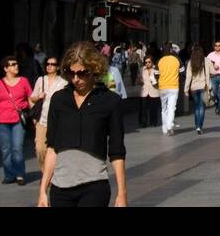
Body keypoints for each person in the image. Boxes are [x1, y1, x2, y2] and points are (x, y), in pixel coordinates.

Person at [38, 42, 127, 207]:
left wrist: (122, 193)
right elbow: (52, 147)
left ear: (94, 69)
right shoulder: (59, 100)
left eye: (82, 73)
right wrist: (43, 190)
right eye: (71, 73)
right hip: (60, 187)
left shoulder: (110, 101)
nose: (76, 79)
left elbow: (117, 151)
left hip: (94, 185)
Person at [0, 56, 31, 186]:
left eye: (16, 64)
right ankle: (9, 175)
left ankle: (20, 174)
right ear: (5, 68)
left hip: (18, 120)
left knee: (17, 148)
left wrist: (35, 116)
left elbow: (30, 99)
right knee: (6, 149)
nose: (16, 66)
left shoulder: (24, 81)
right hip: (1, 121)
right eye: (13, 64)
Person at [31, 56, 68, 162]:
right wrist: (39, 97)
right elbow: (32, 98)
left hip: (57, 121)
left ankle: (52, 174)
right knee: (40, 149)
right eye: (47, 64)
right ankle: (46, 175)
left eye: (53, 64)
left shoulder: (63, 83)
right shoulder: (40, 80)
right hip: (42, 120)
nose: (49, 66)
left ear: (57, 67)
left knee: (55, 149)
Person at [183, 46, 209, 134]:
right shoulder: (205, 60)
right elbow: (211, 72)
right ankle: (199, 126)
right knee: (201, 107)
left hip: (193, 88)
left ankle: (197, 125)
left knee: (196, 107)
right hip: (203, 87)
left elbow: (188, 77)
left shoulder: (190, 62)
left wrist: (186, 89)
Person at [156, 45, 180, 135]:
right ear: (171, 51)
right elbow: (182, 71)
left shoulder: (159, 61)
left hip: (162, 87)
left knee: (164, 108)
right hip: (174, 86)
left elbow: (156, 74)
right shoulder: (176, 60)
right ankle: (169, 126)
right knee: (171, 108)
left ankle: (164, 128)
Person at [139, 54, 160, 129]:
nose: (147, 63)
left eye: (149, 62)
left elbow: (160, 79)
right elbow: (139, 79)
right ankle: (143, 122)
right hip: (144, 91)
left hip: (154, 90)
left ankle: (153, 122)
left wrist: (156, 82)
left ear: (152, 62)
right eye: (146, 62)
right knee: (143, 108)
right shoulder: (142, 69)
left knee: (153, 108)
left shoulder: (156, 69)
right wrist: (140, 81)